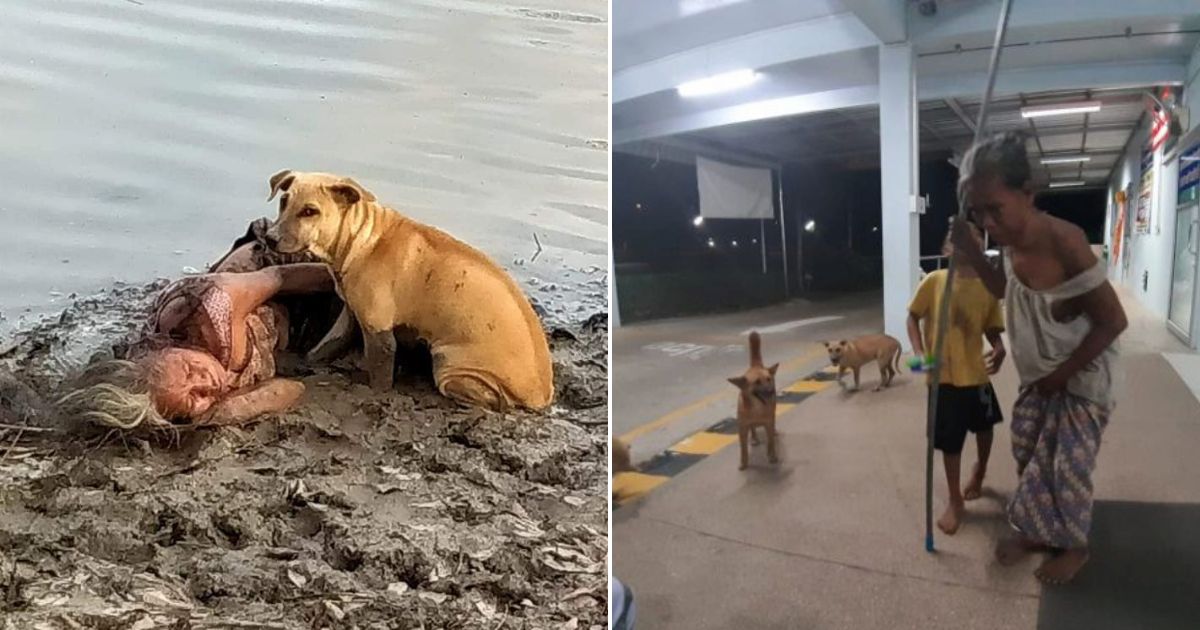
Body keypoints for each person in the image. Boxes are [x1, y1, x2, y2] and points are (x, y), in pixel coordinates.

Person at [952, 131, 1127, 584]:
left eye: (995, 208)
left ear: (1027, 194)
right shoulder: (1008, 240)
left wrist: (1062, 375)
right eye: (977, 212)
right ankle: (1038, 530)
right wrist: (971, 250)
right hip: (1040, 375)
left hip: (1082, 377)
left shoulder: (1065, 240)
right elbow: (1005, 290)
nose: (988, 221)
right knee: (1028, 452)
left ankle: (1074, 546)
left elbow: (1113, 321)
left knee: (1068, 466)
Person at [59, 225, 337, 429]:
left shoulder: (211, 307)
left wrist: (346, 281)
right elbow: (292, 389)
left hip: (284, 268)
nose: (207, 383)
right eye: (193, 400)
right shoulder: (159, 385)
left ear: (165, 351)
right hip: (281, 332)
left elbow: (278, 276)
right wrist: (222, 412)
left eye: (189, 370)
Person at [908, 220, 1006, 536]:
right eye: (955, 236)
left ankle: (980, 471)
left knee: (985, 428)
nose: (963, 240)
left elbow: (992, 325)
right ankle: (954, 499)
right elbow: (912, 317)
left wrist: (999, 346)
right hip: (943, 377)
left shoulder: (987, 286)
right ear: (946, 248)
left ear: (980, 245)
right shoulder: (935, 281)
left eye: (971, 236)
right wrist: (919, 355)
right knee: (950, 442)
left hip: (976, 373)